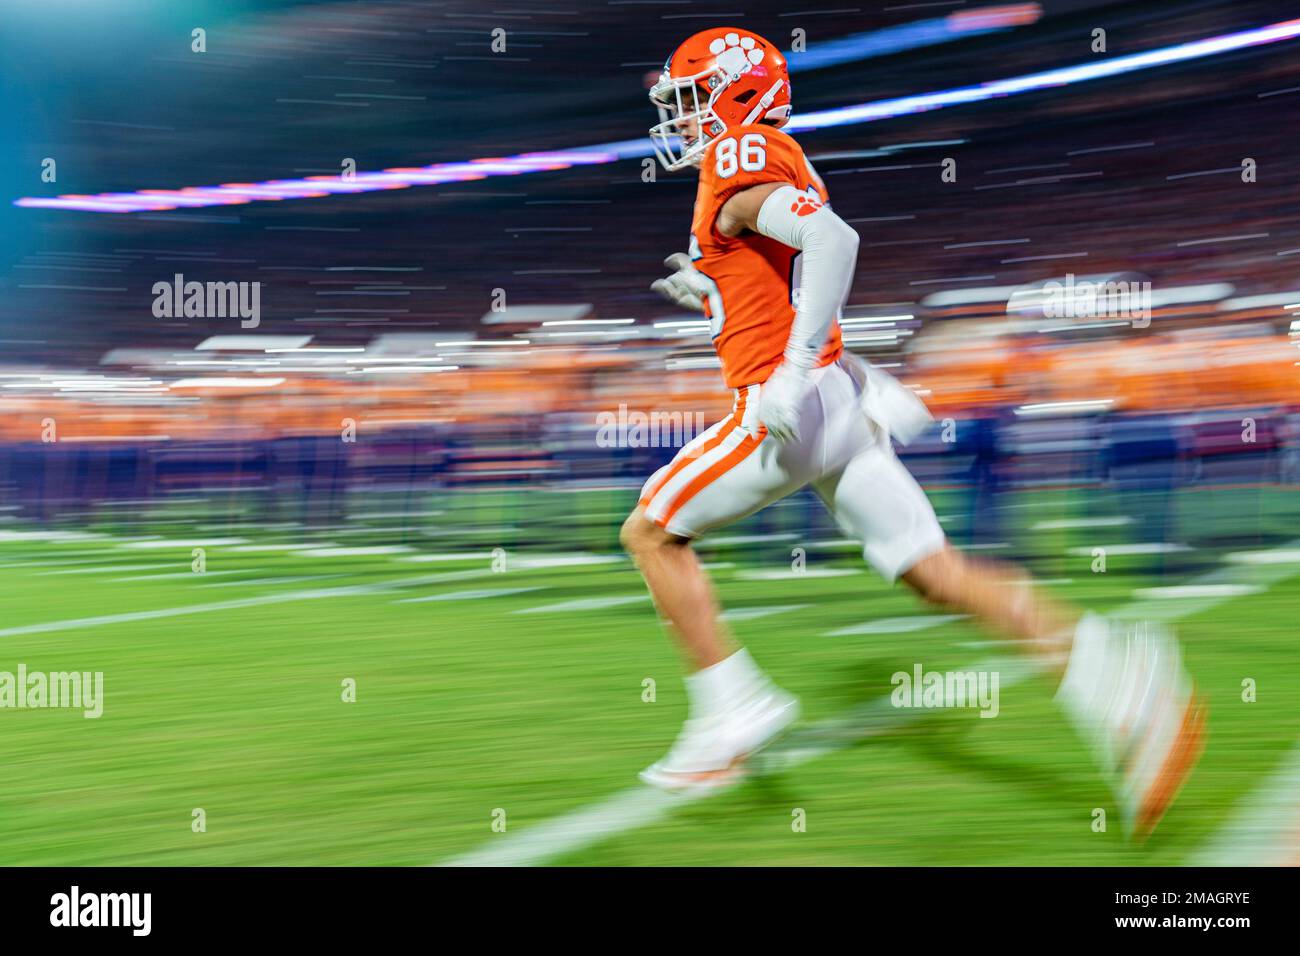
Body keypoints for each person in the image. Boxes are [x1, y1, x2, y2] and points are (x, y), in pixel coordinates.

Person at [620, 27, 1205, 840]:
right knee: (934, 573)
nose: (681, 123)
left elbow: (832, 242)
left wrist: (789, 374)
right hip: (837, 400)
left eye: (689, 103)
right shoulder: (766, 153)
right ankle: (1123, 677)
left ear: (735, 90)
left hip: (793, 405)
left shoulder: (740, 154)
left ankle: (733, 708)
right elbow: (783, 272)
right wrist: (717, 292)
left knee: (651, 531)